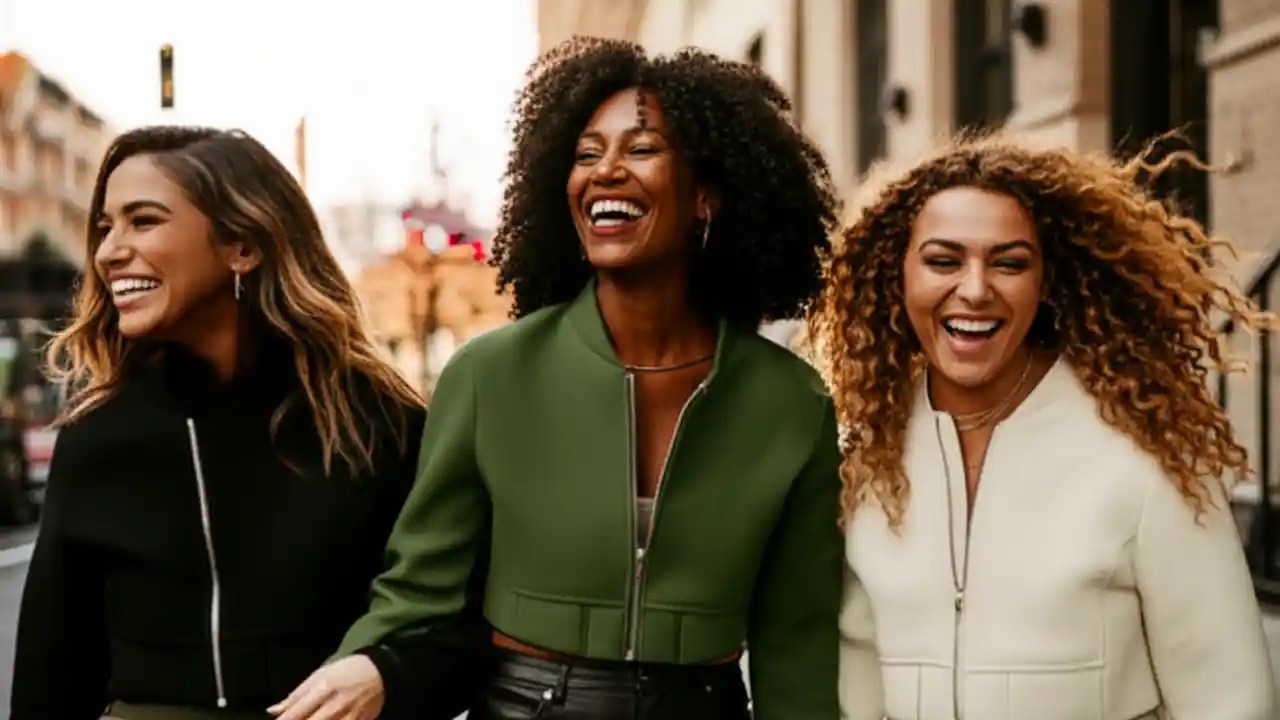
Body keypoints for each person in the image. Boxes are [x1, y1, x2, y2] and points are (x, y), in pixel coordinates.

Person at [271, 37, 845, 720]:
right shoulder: (490, 376)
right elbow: (420, 591)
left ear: (707, 197)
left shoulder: (788, 401)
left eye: (640, 149)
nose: (604, 172)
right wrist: (366, 668)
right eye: (584, 154)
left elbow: (798, 641)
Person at [810, 134, 1278, 719]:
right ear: (897, 274)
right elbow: (851, 689)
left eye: (1009, 263)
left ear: (1046, 281)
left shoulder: (1146, 451)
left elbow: (1229, 699)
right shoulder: (864, 455)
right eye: (943, 261)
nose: (975, 290)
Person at [11, 126, 426, 720]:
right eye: (107, 227)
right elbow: (51, 672)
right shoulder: (98, 434)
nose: (108, 251)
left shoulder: (375, 422)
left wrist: (388, 674)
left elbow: (449, 626)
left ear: (243, 245)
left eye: (143, 220)